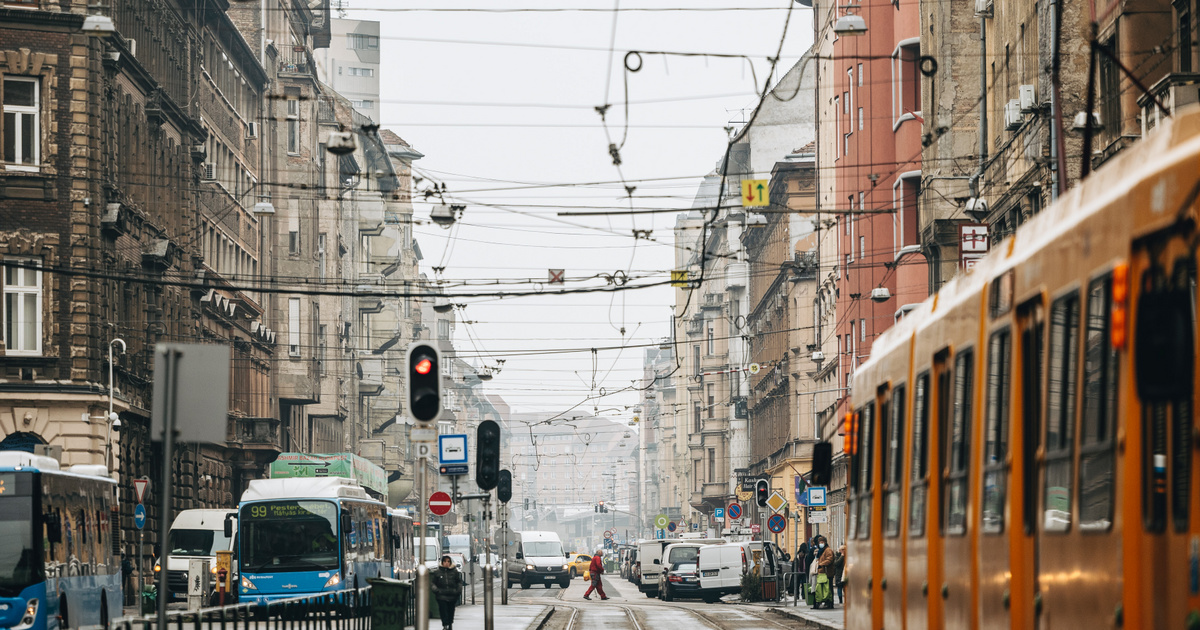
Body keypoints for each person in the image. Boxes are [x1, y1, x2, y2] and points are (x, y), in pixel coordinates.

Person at [431, 555, 464, 630]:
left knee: (451, 610)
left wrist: (458, 591)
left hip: (452, 595)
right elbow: (433, 583)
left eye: (448, 561)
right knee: (443, 610)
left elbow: (459, 582)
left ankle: (450, 623)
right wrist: (436, 590)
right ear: (442, 562)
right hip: (441, 596)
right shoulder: (437, 572)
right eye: (445, 561)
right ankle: (445, 625)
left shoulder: (454, 572)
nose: (446, 563)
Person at [813, 536, 835, 609]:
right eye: (819, 542)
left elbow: (829, 559)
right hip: (823, 572)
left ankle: (830, 603)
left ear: (825, 542)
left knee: (829, 588)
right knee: (824, 588)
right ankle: (827, 602)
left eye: (822, 542)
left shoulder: (828, 550)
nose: (820, 544)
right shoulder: (822, 550)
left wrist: (821, 564)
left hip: (827, 572)